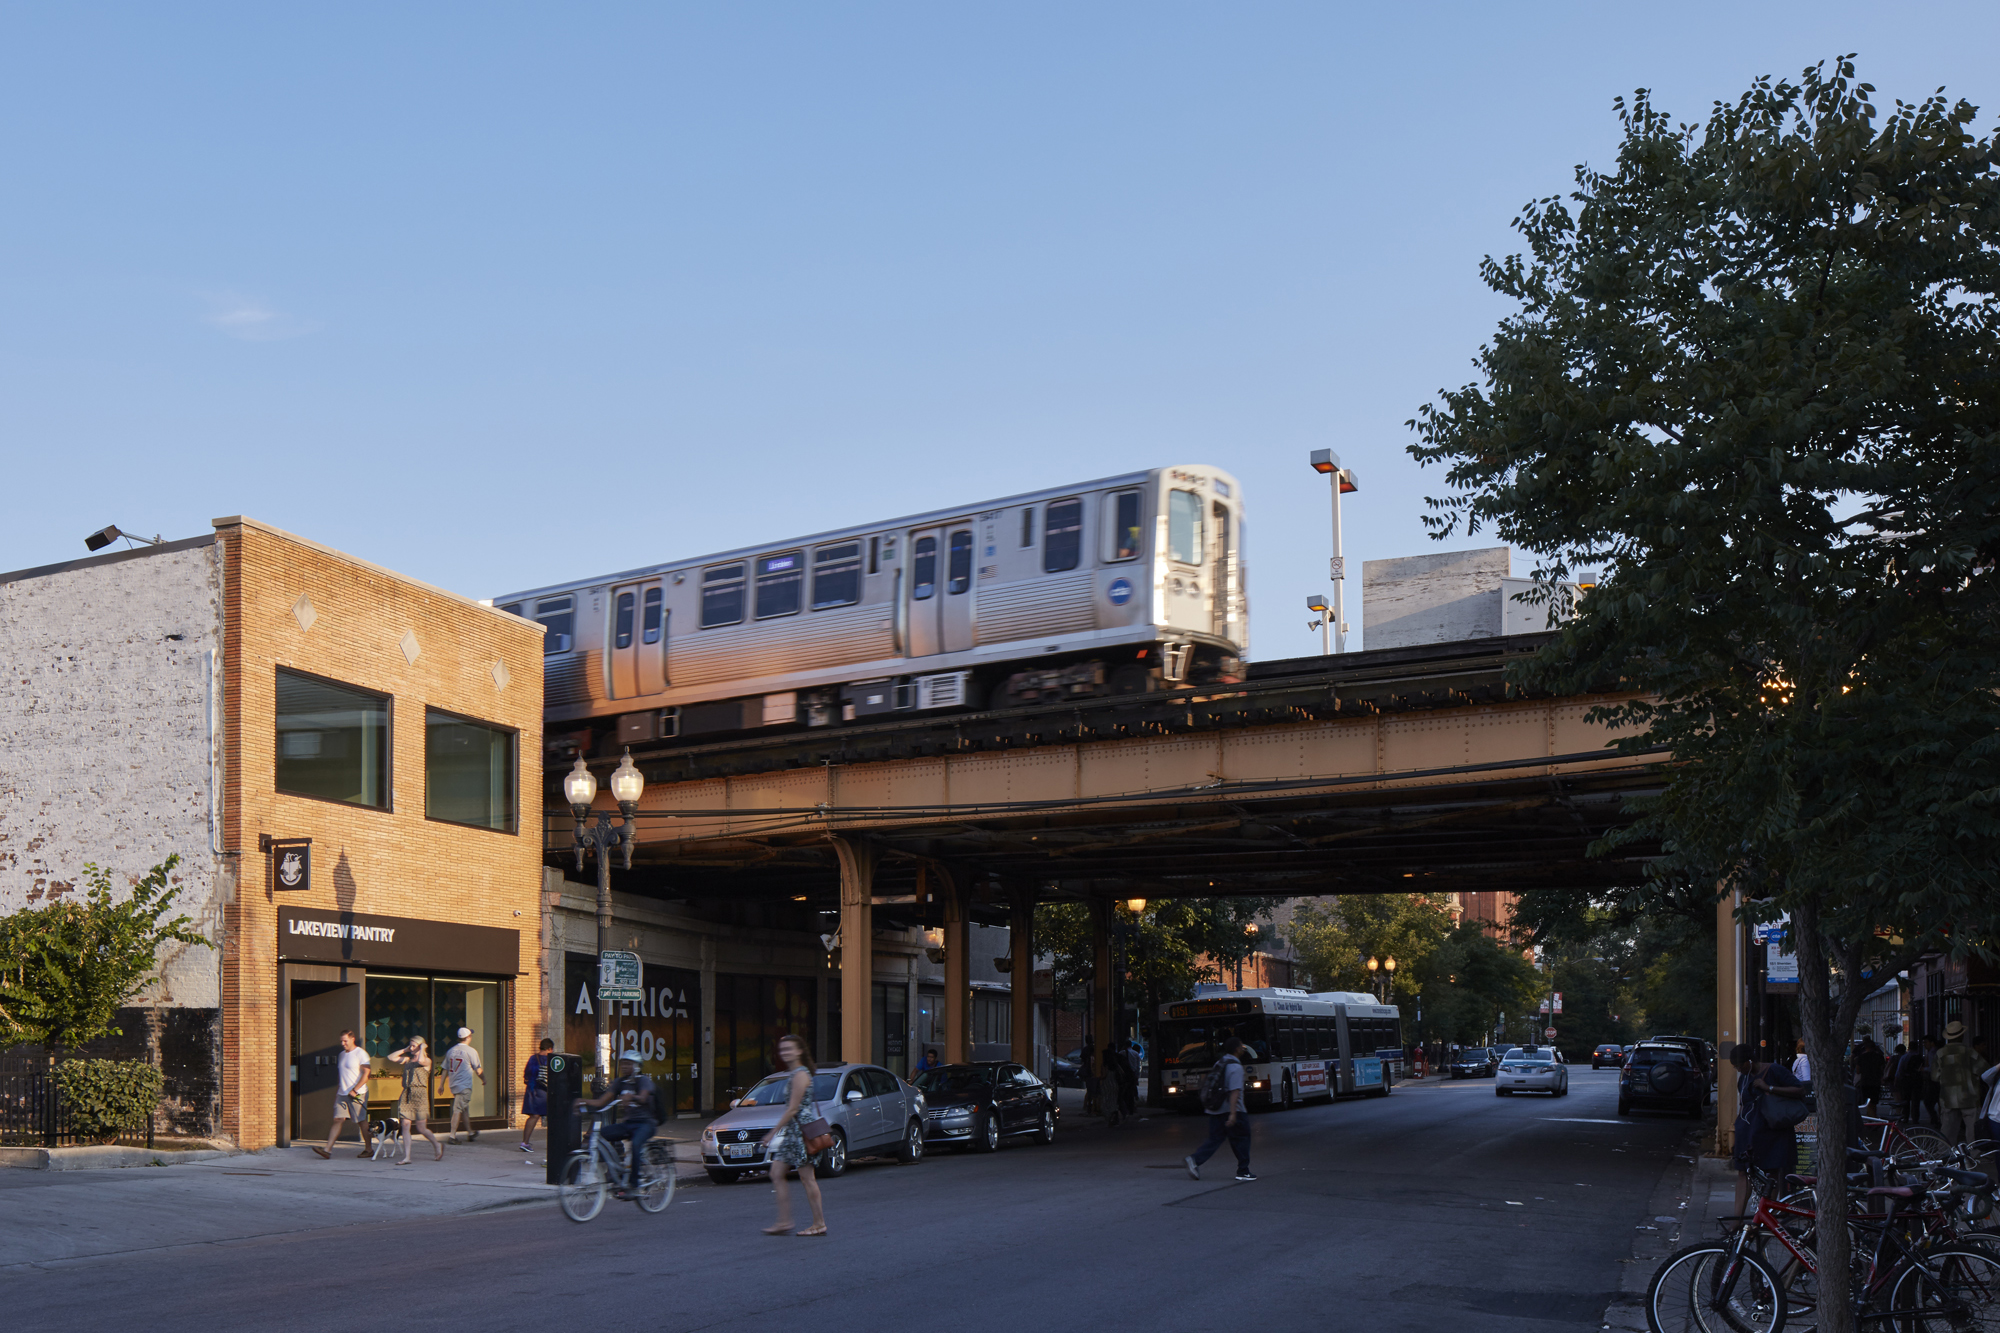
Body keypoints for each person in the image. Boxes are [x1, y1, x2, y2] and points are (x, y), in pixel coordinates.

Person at [759, 1033, 828, 1237]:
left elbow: (792, 1109)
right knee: (776, 1173)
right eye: (782, 1049)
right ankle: (784, 1221)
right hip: (793, 1132)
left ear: (799, 1050)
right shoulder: (796, 1073)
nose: (785, 1052)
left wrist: (771, 1134)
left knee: (807, 1178)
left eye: (789, 1048)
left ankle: (819, 1223)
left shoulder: (800, 1074)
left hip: (800, 1132)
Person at [1730, 1042, 1806, 1218]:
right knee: (1744, 1171)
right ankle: (1737, 1218)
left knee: (1772, 1171)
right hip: (1749, 1129)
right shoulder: (1744, 1078)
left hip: (1771, 1128)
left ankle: (1766, 1216)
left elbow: (1799, 1089)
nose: (1738, 1069)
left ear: (1749, 1061)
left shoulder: (1774, 1071)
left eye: (1740, 1065)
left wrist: (1769, 1088)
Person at [575, 1049, 657, 1199]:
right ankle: (615, 1172)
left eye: (628, 1064)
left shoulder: (643, 1080)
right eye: (622, 1064)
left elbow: (644, 1097)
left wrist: (632, 1096)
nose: (624, 1066)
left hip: (645, 1124)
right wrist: (583, 1101)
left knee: (636, 1145)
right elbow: (601, 1101)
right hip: (629, 1123)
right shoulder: (620, 1082)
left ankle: (635, 1185)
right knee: (600, 1135)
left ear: (637, 1066)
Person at [1184, 1035, 1254, 1183]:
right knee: (1242, 1138)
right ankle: (1243, 1170)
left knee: (1215, 1139)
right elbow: (1234, 1091)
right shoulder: (1235, 1067)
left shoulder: (1220, 1062)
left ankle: (1195, 1160)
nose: (1243, 1047)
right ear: (1236, 1049)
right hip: (1233, 1110)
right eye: (1241, 1045)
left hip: (1215, 1108)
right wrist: (1233, 1114)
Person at [313, 1029, 373, 1159]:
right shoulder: (341, 1055)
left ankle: (369, 1149)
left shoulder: (361, 1054)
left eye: (345, 1041)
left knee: (361, 1121)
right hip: (342, 1093)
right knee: (338, 1119)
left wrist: (355, 1090)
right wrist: (341, 1090)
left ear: (352, 1039)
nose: (343, 1043)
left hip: (358, 1093)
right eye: (341, 1041)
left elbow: (366, 1075)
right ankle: (327, 1150)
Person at [386, 1035, 443, 1164]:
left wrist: (422, 1048)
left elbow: (422, 1061)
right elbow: (391, 1057)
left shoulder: (427, 1061)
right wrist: (405, 1049)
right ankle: (407, 1157)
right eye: (410, 1045)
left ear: (420, 1046)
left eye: (413, 1045)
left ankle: (437, 1145)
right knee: (405, 1125)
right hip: (407, 1093)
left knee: (421, 1128)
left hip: (420, 1094)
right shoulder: (408, 1060)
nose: (411, 1047)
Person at [1934, 1022, 1989, 1146]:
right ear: (1961, 1036)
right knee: (1973, 1130)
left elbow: (1934, 1076)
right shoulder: (1970, 1053)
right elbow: (1985, 1072)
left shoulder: (1940, 1054)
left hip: (1948, 1097)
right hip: (1969, 1096)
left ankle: (1946, 1154)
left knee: (1948, 1130)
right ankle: (1974, 1153)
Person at [442, 1026, 486, 1144]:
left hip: (454, 1084)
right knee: (458, 1109)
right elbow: (478, 1069)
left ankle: (470, 1133)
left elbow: (445, 1069)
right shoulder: (471, 1051)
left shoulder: (451, 1051)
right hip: (464, 1085)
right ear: (468, 1037)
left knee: (464, 1108)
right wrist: (483, 1079)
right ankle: (452, 1136)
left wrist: (441, 1085)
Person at [520, 1037, 554, 1153]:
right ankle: (555, 1144)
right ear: (550, 1048)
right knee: (553, 1117)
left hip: (531, 1090)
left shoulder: (533, 1058)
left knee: (533, 1116)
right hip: (543, 1092)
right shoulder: (550, 1060)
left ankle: (525, 1142)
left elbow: (526, 1077)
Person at [1853, 1036, 1887, 1114]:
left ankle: (1871, 1116)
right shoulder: (1879, 1057)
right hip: (1876, 1081)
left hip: (1865, 1081)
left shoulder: (1861, 1057)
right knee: (1874, 1101)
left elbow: (1858, 1071)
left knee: (1867, 1100)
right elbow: (1882, 1068)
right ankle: (1873, 1115)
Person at [1891, 1042, 1923, 1121]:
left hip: (1906, 1079)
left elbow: (1899, 1070)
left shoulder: (1905, 1057)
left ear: (1909, 1047)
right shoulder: (1920, 1057)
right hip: (1917, 1080)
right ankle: (1915, 1117)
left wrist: (1896, 1080)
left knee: (1906, 1099)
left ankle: (1905, 1116)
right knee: (1916, 1100)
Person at [1922, 1034, 1944, 1127]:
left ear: (1932, 1043)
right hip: (1937, 1080)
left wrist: (1924, 1069)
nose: (1924, 1045)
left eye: (1926, 1042)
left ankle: (1936, 1119)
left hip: (1935, 1080)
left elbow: (1932, 1068)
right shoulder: (1933, 1052)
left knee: (1929, 1101)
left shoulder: (1933, 1053)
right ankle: (1938, 1118)